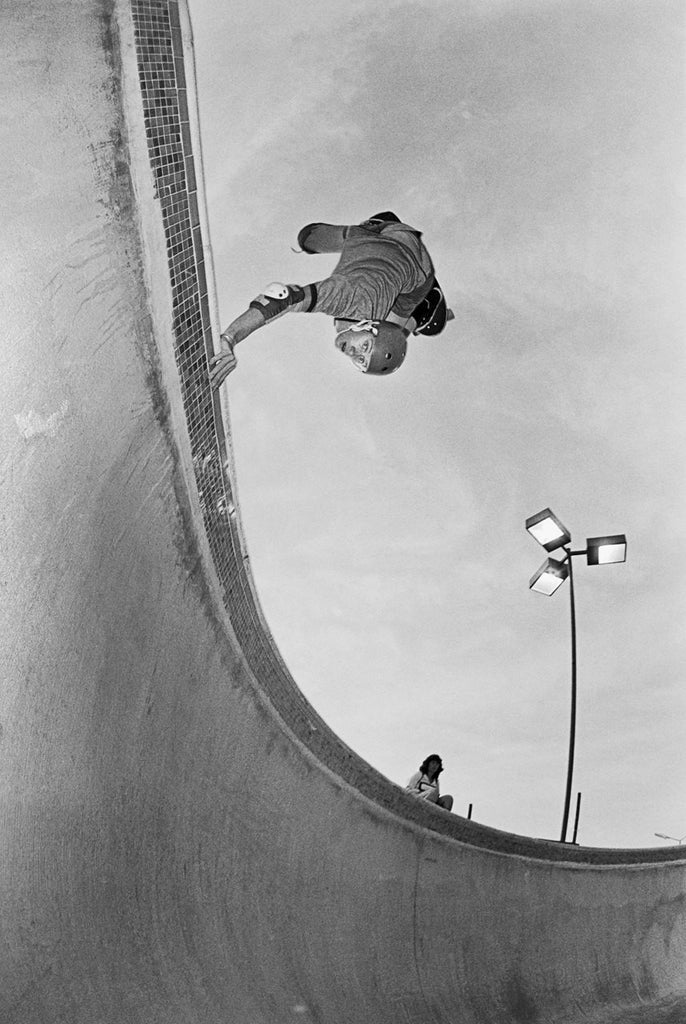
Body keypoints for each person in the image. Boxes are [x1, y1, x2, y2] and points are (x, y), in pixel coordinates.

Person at [209, 211, 453, 387]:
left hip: (411, 270)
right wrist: (229, 339)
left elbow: (382, 337)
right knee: (307, 238)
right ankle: (428, 305)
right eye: (364, 347)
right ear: (370, 326)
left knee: (394, 335)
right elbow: (280, 298)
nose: (353, 352)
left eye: (359, 359)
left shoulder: (371, 322)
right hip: (396, 251)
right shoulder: (347, 298)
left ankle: (421, 306)